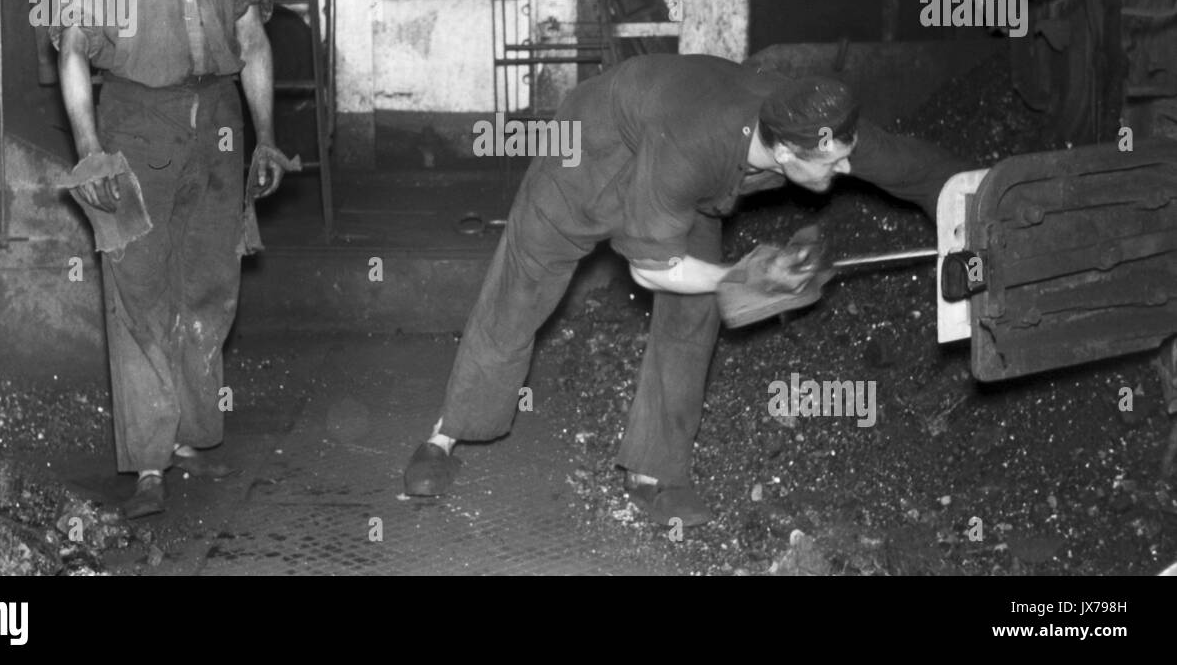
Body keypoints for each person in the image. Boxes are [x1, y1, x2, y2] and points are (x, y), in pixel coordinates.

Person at [402, 53, 968, 526]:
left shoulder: (814, 123)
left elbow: (910, 167)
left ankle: (656, 473)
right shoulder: (699, 144)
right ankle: (444, 437)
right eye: (832, 163)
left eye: (845, 155)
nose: (844, 170)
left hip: (678, 171)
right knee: (524, 284)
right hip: (592, 155)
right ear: (787, 155)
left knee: (695, 310)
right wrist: (740, 276)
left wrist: (982, 196)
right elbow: (650, 270)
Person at [52, 0, 295, 519]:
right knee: (137, 285)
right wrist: (91, 150)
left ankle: (192, 431)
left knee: (208, 282)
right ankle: (150, 458)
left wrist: (267, 138)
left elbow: (252, 42)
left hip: (218, 121)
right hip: (136, 121)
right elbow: (72, 50)